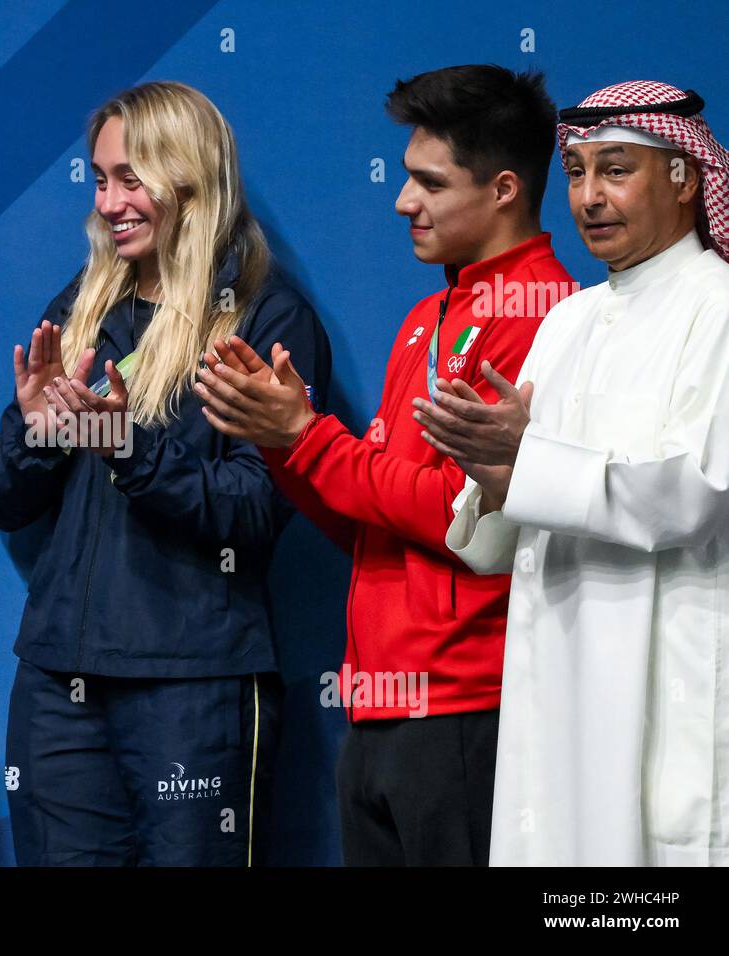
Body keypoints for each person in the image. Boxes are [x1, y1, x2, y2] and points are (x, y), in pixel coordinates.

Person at [194, 65, 574, 865]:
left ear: (505, 189)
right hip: (380, 710)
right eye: (406, 179)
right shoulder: (423, 319)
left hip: (471, 706)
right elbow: (372, 517)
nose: (403, 202)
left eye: (429, 183)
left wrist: (308, 436)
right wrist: (281, 440)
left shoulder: (548, 316)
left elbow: (460, 519)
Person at [0, 81, 331, 866]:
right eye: (100, 179)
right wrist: (41, 433)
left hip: (194, 687)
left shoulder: (266, 320)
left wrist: (122, 443)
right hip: (57, 687)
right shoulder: (82, 307)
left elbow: (252, 512)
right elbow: (3, 495)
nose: (110, 202)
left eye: (132, 178)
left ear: (192, 178)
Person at [420, 80, 729, 865]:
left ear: (686, 179)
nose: (590, 197)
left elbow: (695, 496)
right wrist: (490, 475)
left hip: (668, 686)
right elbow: (490, 544)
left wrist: (527, 460)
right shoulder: (567, 321)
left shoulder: (718, 307)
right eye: (579, 172)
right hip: (553, 684)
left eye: (616, 170)